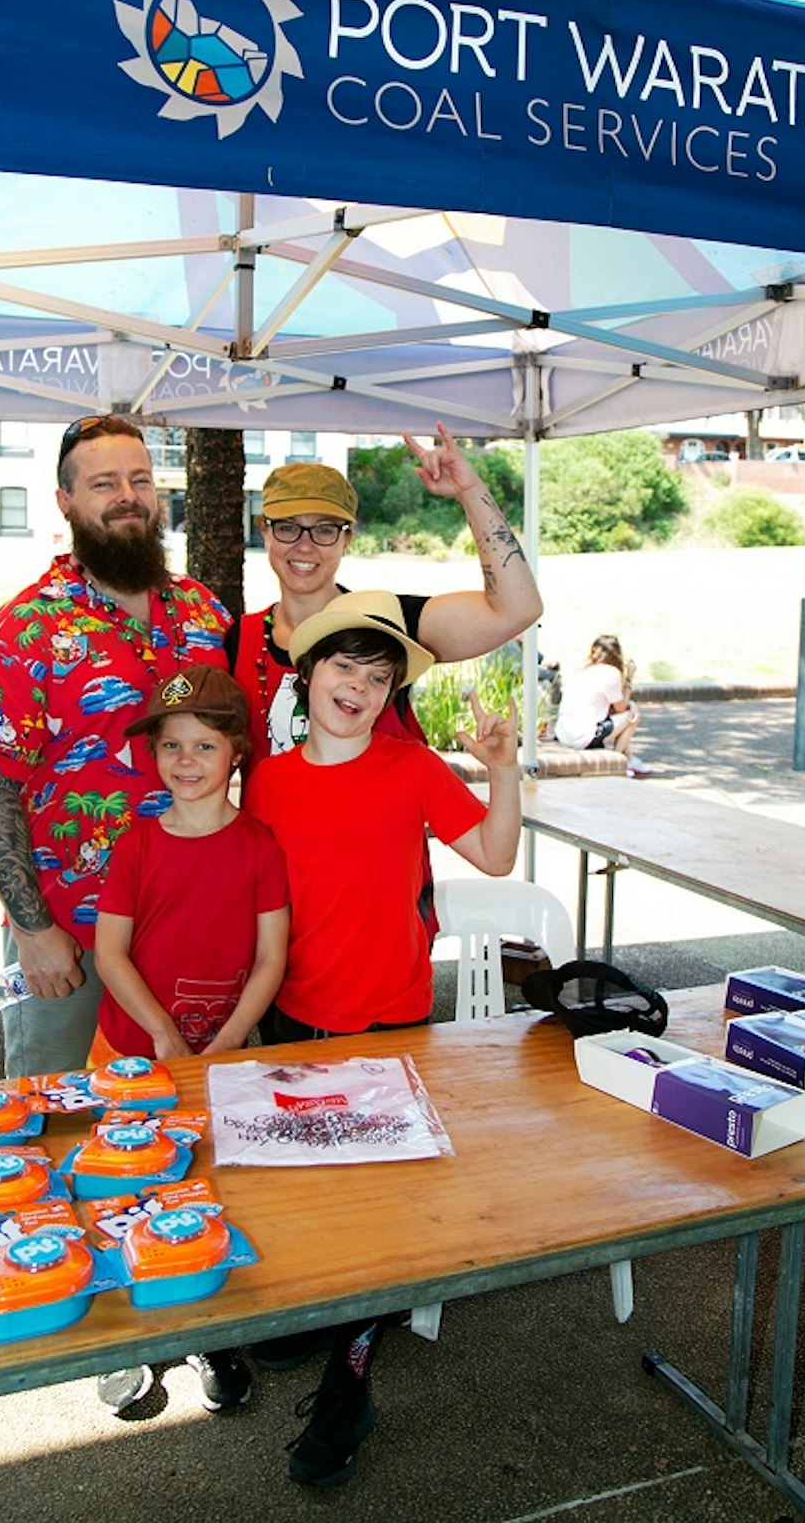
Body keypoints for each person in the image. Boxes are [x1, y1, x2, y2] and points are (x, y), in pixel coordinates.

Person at [244, 590, 521, 1488]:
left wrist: (503, 770)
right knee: (307, 1205)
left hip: (394, 1025)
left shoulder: (410, 768)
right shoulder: (269, 780)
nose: (357, 687)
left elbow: (494, 854)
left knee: (387, 1221)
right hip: (294, 1025)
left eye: (376, 675)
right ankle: (310, 1312)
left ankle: (346, 1383)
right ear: (306, 675)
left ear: (391, 692)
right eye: (342, 668)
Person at [0, 415, 232, 1081]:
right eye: (104, 483)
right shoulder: (25, 629)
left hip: (196, 933)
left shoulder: (204, 615)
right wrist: (33, 933)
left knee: (191, 1117)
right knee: (57, 1117)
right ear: (65, 501)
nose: (127, 495)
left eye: (140, 479)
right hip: (71, 942)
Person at [92, 664, 289, 1419]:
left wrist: (229, 1039)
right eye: (170, 744)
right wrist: (163, 1031)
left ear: (236, 750)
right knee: (130, 1190)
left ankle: (215, 1335)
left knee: (207, 1192)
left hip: (222, 1060)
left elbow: (272, 956)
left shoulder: (259, 845)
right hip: (131, 1056)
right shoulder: (138, 842)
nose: (184, 761)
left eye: (203, 745)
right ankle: (134, 1340)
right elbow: (111, 953)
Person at [229, 422, 542, 777]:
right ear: (264, 531)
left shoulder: (388, 624)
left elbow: (518, 609)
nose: (305, 545)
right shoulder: (240, 639)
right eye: (288, 527)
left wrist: (470, 492)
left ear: (347, 539)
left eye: (325, 530)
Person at [553, 634, 651, 775]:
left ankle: (629, 757)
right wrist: (629, 679)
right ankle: (615, 762)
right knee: (632, 716)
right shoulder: (611, 673)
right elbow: (620, 707)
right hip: (582, 737)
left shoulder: (581, 670)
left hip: (563, 733)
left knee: (622, 716)